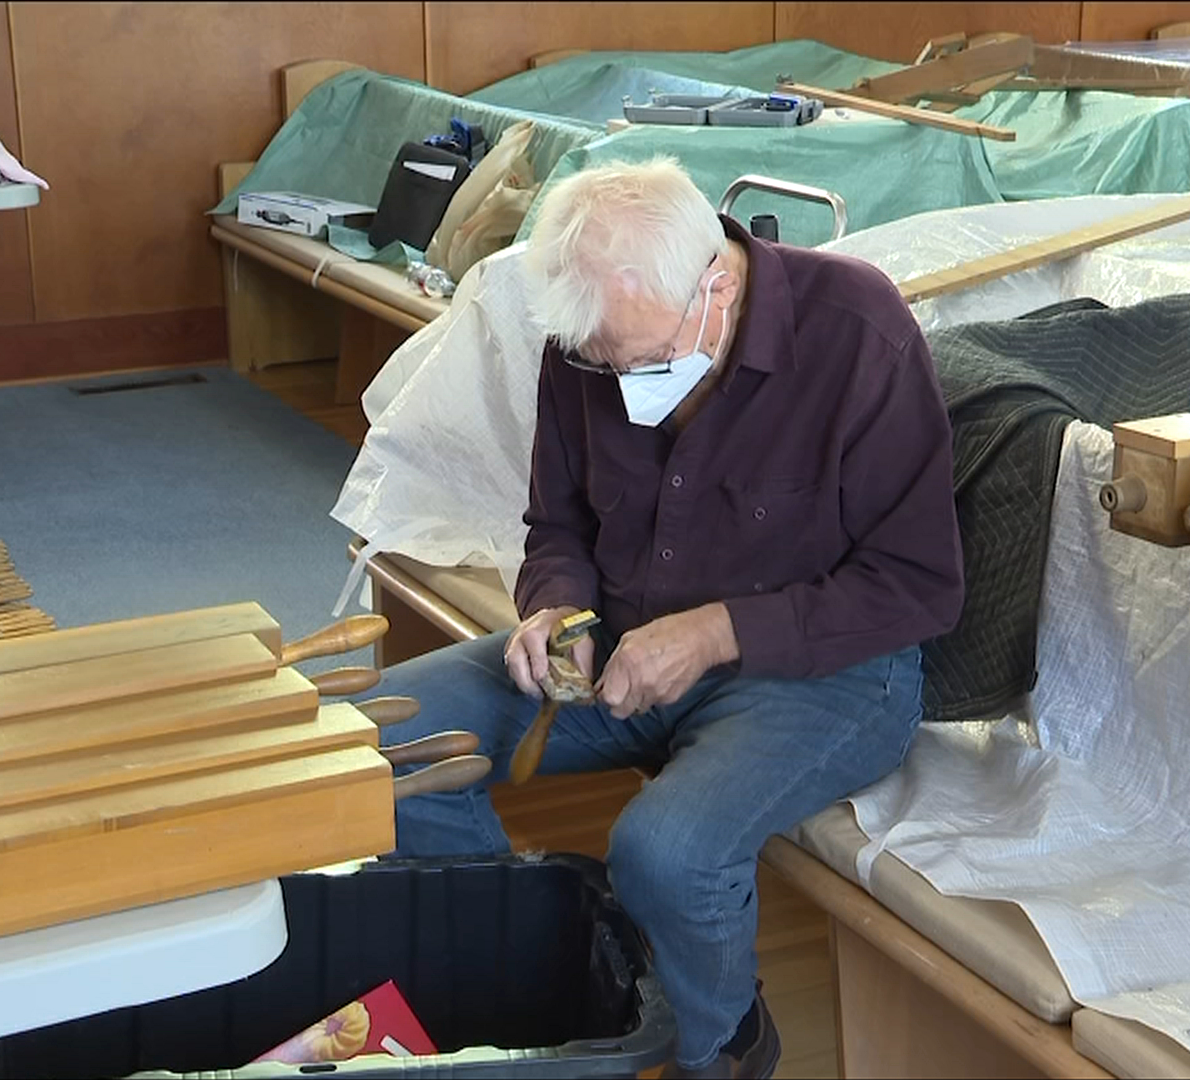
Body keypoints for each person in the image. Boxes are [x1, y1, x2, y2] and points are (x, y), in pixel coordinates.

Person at [372, 157, 964, 1079]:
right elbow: (558, 523)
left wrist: (719, 632)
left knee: (665, 855)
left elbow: (919, 586)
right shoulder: (589, 334)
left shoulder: (857, 332)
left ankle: (723, 1044)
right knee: (379, 742)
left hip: (822, 674)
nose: (618, 379)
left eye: (640, 361)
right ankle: (527, 976)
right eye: (599, 362)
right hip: (621, 645)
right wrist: (555, 607)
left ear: (718, 284)